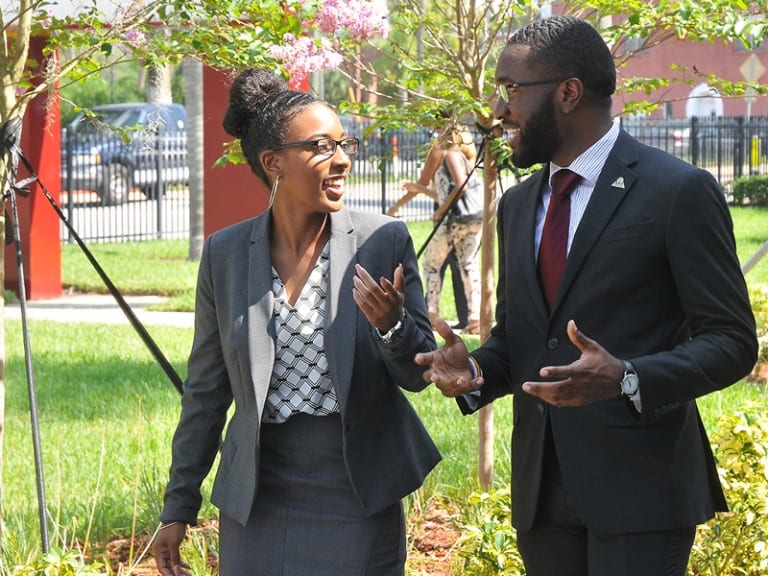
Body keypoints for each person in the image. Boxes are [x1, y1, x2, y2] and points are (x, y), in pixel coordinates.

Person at [415, 15, 757, 576]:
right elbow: (522, 338)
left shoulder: (677, 192)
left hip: (641, 493)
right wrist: (475, 370)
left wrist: (627, 375)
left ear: (568, 93)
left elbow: (733, 342)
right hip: (541, 492)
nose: (499, 110)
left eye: (511, 90)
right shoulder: (519, 205)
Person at [154, 67, 441, 576]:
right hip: (258, 493)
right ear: (274, 162)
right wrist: (179, 504)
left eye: (344, 144)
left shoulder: (383, 241)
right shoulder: (225, 255)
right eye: (322, 147)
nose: (343, 159)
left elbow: (418, 374)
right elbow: (206, 389)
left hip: (356, 488)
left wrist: (393, 326)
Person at [402, 125, 484, 334]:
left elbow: (459, 187)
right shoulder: (467, 158)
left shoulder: (451, 154)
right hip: (474, 218)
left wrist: (440, 212)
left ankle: (431, 313)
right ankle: (475, 317)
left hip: (454, 219)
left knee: (431, 264)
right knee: (468, 265)